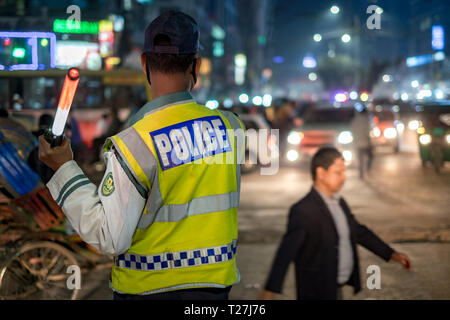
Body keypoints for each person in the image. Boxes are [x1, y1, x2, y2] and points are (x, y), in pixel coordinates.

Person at [39, 10, 244, 300]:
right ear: (195, 66)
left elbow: (110, 236)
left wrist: (63, 168)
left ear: (145, 63)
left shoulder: (134, 143)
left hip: (147, 289)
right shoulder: (232, 128)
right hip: (214, 290)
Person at [259, 147, 411, 300]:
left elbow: (358, 232)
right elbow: (286, 251)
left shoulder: (339, 203)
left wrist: (391, 254)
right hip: (314, 293)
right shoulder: (304, 210)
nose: (343, 177)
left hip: (334, 290)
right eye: (338, 172)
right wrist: (270, 290)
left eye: (344, 172)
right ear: (321, 173)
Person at [351, 107, 373, 179]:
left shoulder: (355, 120)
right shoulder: (366, 120)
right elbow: (368, 131)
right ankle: (368, 169)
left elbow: (352, 129)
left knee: (360, 159)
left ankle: (361, 174)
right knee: (370, 156)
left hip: (357, 142)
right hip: (365, 142)